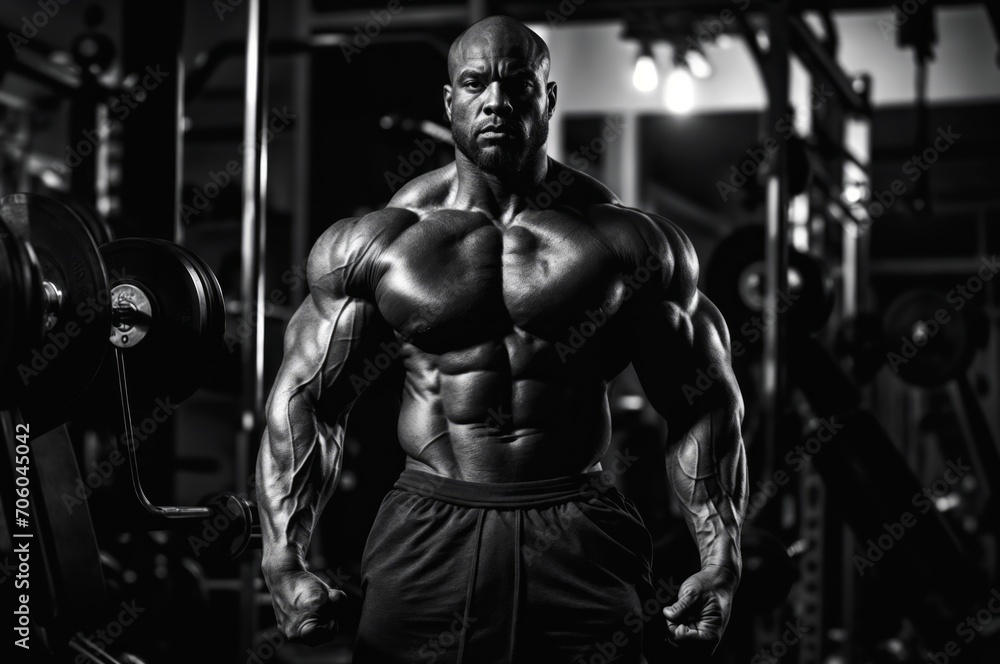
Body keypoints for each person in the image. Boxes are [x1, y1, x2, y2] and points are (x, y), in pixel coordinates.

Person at [257, 15, 747, 664]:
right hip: (429, 525)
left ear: (548, 99)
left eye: (518, 84)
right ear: (449, 101)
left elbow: (703, 402)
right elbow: (307, 401)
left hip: (576, 529)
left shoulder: (629, 243)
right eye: (475, 83)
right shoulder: (381, 243)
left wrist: (720, 560)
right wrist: (283, 559)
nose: (496, 101)